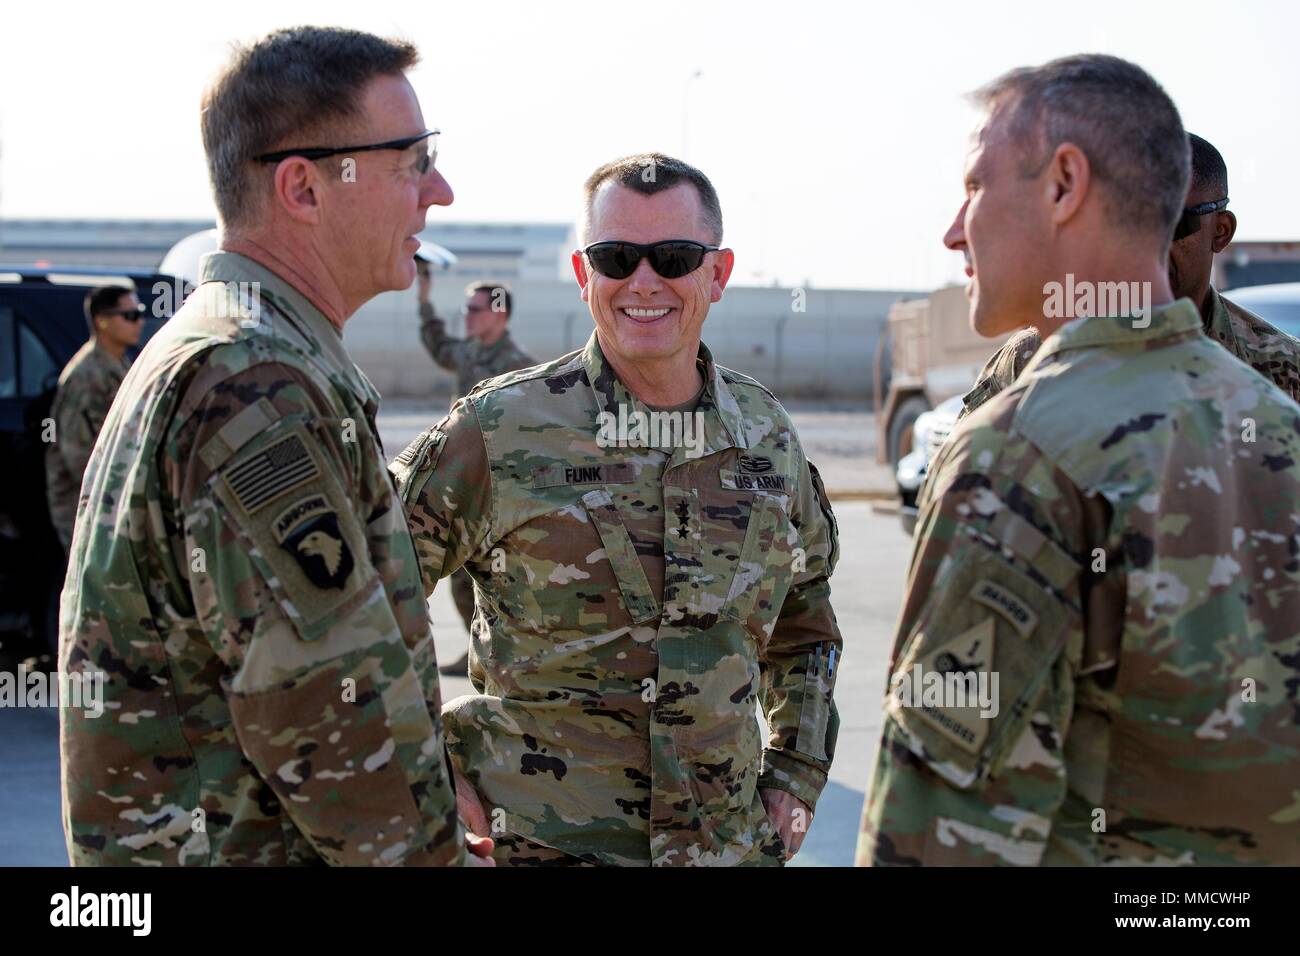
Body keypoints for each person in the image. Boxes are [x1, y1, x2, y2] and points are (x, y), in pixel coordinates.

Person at [58, 26, 489, 867]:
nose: (438, 190)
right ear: (303, 187)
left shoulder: (236, 351)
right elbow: (333, 727)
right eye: (412, 160)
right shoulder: (254, 383)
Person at [857, 55, 1300, 866]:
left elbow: (941, 834)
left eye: (976, 187)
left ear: (1064, 184)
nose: (954, 231)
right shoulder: (1277, 419)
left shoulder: (1020, 450)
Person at [392, 153, 842, 866]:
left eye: (674, 257)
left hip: (723, 848)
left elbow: (806, 614)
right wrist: (421, 767)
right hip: (537, 845)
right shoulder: (500, 429)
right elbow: (362, 601)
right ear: (584, 274)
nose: (644, 281)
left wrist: (797, 769)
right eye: (616, 257)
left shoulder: (766, 434)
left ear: (717, 274)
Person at [959, 132, 1300, 418]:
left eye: (1168, 224)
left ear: (1221, 231)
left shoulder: (1279, 367)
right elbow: (964, 471)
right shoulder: (1035, 356)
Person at [416, 268, 535, 674]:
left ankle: (508, 659)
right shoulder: (469, 353)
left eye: (474, 309)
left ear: (499, 313)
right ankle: (478, 654)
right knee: (460, 574)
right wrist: (424, 300)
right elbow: (439, 347)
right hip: (465, 483)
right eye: (465, 309)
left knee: (498, 576)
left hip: (500, 489)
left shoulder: (518, 366)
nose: (466, 316)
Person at [45, 285, 143, 550]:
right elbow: (79, 457)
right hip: (86, 507)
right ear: (102, 321)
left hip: (109, 503)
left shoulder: (118, 364)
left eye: (139, 313)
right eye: (130, 316)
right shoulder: (86, 377)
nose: (140, 322)